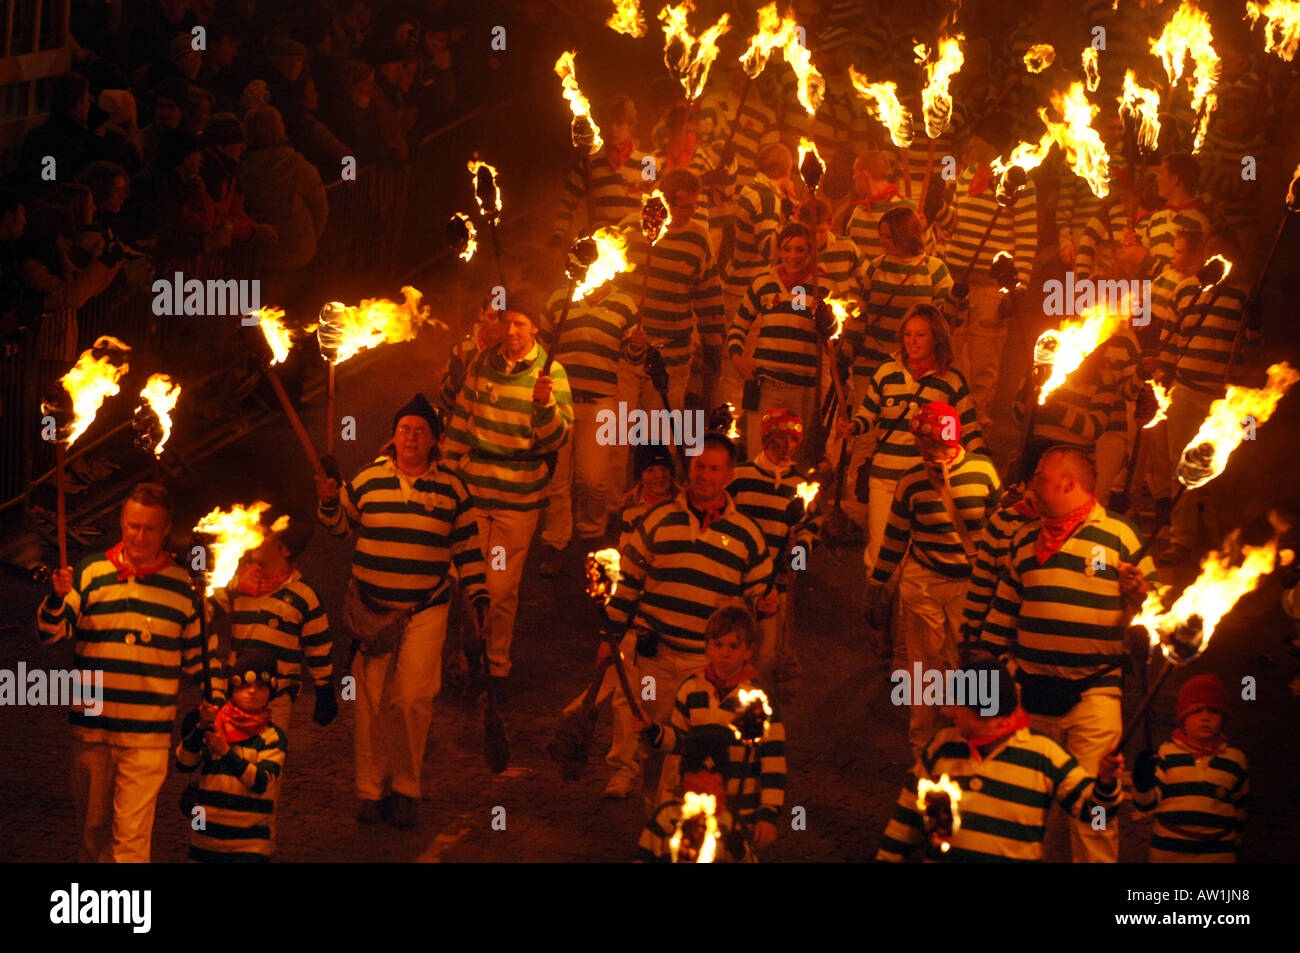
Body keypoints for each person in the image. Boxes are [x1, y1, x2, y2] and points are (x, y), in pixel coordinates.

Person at [974, 446, 1158, 862]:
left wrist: (1140, 593)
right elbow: (1000, 618)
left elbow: (1160, 612)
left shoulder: (1121, 535)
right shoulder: (1022, 539)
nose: (1030, 483)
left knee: (1094, 808)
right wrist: (980, 686)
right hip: (1029, 697)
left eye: (1039, 476)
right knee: (1020, 805)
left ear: (1069, 483)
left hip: (1094, 697)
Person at [316, 394, 489, 829]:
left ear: (434, 441)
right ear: (393, 437)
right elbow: (338, 528)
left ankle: (407, 786)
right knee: (371, 703)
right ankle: (371, 790)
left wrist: (480, 600)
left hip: (426, 608)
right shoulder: (369, 479)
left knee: (411, 698)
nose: (410, 437)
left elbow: (468, 549)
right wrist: (329, 498)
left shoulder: (453, 486)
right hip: (372, 612)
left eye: (420, 431)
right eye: (404, 429)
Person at [37, 482, 220, 862]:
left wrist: (213, 704)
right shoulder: (90, 572)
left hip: (146, 740)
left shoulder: (185, 590)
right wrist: (57, 597)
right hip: (91, 733)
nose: (139, 536)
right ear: (121, 521)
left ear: (165, 529)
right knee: (92, 837)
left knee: (131, 843)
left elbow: (205, 666)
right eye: (133, 525)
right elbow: (51, 633)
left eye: (149, 528)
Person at [605, 433, 778, 801]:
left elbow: (759, 585)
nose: (704, 475)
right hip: (656, 656)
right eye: (699, 466)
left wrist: (765, 601)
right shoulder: (656, 520)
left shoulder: (747, 534)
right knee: (649, 732)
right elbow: (628, 582)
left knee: (687, 747)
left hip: (704, 665)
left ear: (728, 476)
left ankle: (667, 819)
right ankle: (645, 796)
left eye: (714, 468)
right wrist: (610, 636)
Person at [441, 294, 574, 694]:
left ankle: (497, 661)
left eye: (520, 323)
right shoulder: (482, 364)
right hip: (474, 494)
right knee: (466, 581)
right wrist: (446, 476)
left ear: (534, 328)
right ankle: (467, 652)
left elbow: (557, 439)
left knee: (498, 588)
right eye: (506, 322)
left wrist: (545, 405)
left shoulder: (554, 374)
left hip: (517, 501)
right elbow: (462, 419)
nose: (511, 332)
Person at [877, 658, 1124, 862]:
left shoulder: (1044, 756)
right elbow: (906, 816)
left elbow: (1097, 817)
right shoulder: (942, 746)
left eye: (959, 704)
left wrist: (1104, 784)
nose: (951, 710)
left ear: (986, 712)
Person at [842, 306, 985, 656]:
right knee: (882, 558)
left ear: (936, 337)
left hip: (925, 486)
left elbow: (969, 427)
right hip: (885, 479)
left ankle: (906, 644)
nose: (913, 341)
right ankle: (882, 624)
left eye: (920, 335)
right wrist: (854, 427)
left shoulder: (952, 381)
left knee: (912, 563)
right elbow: (869, 412)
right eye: (908, 334)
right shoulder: (887, 371)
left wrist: (982, 467)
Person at [867, 403, 1001, 756]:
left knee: (965, 661)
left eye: (931, 442)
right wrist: (878, 584)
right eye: (921, 443)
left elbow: (1000, 526)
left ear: (949, 438)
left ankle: (965, 738)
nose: (925, 450)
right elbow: (895, 538)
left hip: (969, 586)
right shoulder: (911, 482)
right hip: (923, 581)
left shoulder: (983, 472)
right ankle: (922, 745)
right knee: (924, 667)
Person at [639, 604, 785, 848]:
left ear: (748, 650)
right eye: (718, 645)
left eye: (733, 646)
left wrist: (768, 813)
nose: (724, 653)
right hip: (695, 807)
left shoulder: (758, 699)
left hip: (739, 811)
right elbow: (680, 743)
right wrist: (653, 730)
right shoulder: (691, 690)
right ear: (707, 647)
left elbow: (772, 759)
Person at [1155, 228, 1254, 566]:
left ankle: (1216, 537)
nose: (1214, 258)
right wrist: (1160, 378)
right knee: (1179, 465)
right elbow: (1169, 341)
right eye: (1209, 251)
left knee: (1218, 467)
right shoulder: (1184, 292)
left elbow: (1249, 346)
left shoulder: (1243, 297)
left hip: (1220, 399)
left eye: (1221, 252)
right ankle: (1179, 538)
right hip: (1184, 389)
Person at [933, 112, 1038, 428]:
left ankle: (975, 422)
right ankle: (943, 418)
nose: (971, 143)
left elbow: (1027, 237)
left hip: (992, 288)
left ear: (990, 144)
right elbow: (956, 227)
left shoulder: (1020, 184)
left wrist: (1018, 288)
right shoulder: (966, 176)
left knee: (984, 362)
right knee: (950, 354)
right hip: (957, 283)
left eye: (976, 138)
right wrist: (938, 209)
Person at [537, 271, 645, 573]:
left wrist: (638, 345)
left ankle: (591, 535)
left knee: (594, 480)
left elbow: (633, 359)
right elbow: (541, 348)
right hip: (561, 400)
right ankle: (556, 541)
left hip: (601, 404)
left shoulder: (624, 304)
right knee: (557, 479)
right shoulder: (560, 299)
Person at [209, 513, 335, 740]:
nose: (254, 537)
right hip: (237, 689)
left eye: (265, 534)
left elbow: (318, 646)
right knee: (233, 754)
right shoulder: (239, 583)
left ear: (285, 549)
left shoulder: (303, 595)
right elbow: (208, 611)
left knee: (268, 756)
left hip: (277, 694)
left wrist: (324, 689)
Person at [728, 408, 820, 688]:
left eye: (793, 440)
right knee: (729, 646)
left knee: (765, 653)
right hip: (736, 580)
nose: (787, 447)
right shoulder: (740, 476)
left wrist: (798, 559)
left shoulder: (801, 485)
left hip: (775, 584)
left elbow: (810, 529)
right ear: (767, 441)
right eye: (780, 440)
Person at [728, 222, 839, 455]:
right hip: (767, 384)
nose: (793, 256)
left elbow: (835, 333)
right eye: (787, 249)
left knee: (797, 457)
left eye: (800, 250)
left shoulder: (823, 286)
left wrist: (828, 320)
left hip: (805, 390)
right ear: (779, 251)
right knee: (760, 454)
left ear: (810, 252)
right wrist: (738, 358)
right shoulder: (763, 283)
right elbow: (738, 325)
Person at [175, 646, 286, 862]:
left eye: (261, 686)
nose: (252, 691)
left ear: (271, 691)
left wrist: (225, 752)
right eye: (244, 686)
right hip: (206, 841)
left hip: (250, 844)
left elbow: (261, 782)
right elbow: (184, 762)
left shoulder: (272, 737)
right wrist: (199, 729)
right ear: (232, 690)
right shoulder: (215, 727)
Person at [1131, 674, 1249, 862]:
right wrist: (1142, 782)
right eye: (1197, 711)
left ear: (1224, 717)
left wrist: (1237, 845)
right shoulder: (1167, 754)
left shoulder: (1235, 760)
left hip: (1218, 853)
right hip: (1169, 853)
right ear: (1183, 717)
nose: (1205, 717)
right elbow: (1146, 804)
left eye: (1213, 711)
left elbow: (1240, 809)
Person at [635, 725, 754, 862]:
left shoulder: (730, 825)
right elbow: (643, 858)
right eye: (697, 788)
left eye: (710, 790)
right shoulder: (666, 818)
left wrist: (739, 850)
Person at [552, 95, 646, 248]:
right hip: (604, 246)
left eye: (619, 123)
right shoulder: (590, 162)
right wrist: (558, 235)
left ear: (630, 124)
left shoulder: (647, 162)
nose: (613, 129)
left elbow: (656, 206)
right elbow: (566, 201)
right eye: (608, 123)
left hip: (637, 247)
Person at [842, 150, 916, 264]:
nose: (853, 177)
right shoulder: (858, 212)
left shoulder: (907, 210)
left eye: (855, 172)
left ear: (865, 174)